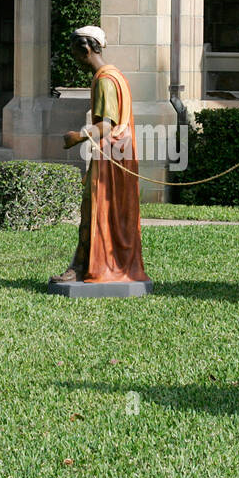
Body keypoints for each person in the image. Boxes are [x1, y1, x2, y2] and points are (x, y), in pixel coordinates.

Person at [51, 26, 149, 285]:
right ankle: (89, 265)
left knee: (93, 213)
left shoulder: (105, 79)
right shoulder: (114, 76)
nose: (74, 59)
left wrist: (77, 136)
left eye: (74, 53)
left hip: (111, 162)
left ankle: (81, 269)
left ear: (85, 48)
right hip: (118, 158)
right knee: (107, 215)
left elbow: (107, 124)